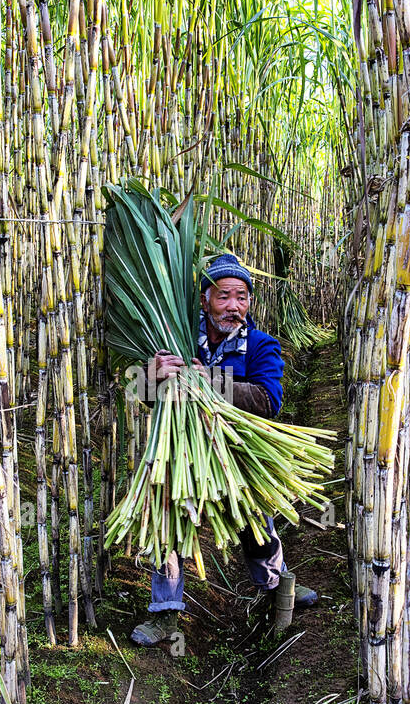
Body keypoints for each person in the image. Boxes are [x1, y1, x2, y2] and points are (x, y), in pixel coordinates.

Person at [129, 253, 318, 647]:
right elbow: (143, 397)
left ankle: (275, 585)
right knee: (170, 524)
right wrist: (152, 376)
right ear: (204, 300)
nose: (234, 306)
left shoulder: (261, 346)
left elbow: (269, 401)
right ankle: (165, 617)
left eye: (242, 296)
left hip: (237, 453)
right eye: (224, 296)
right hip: (182, 451)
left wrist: (208, 382)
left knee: (255, 520)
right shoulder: (178, 338)